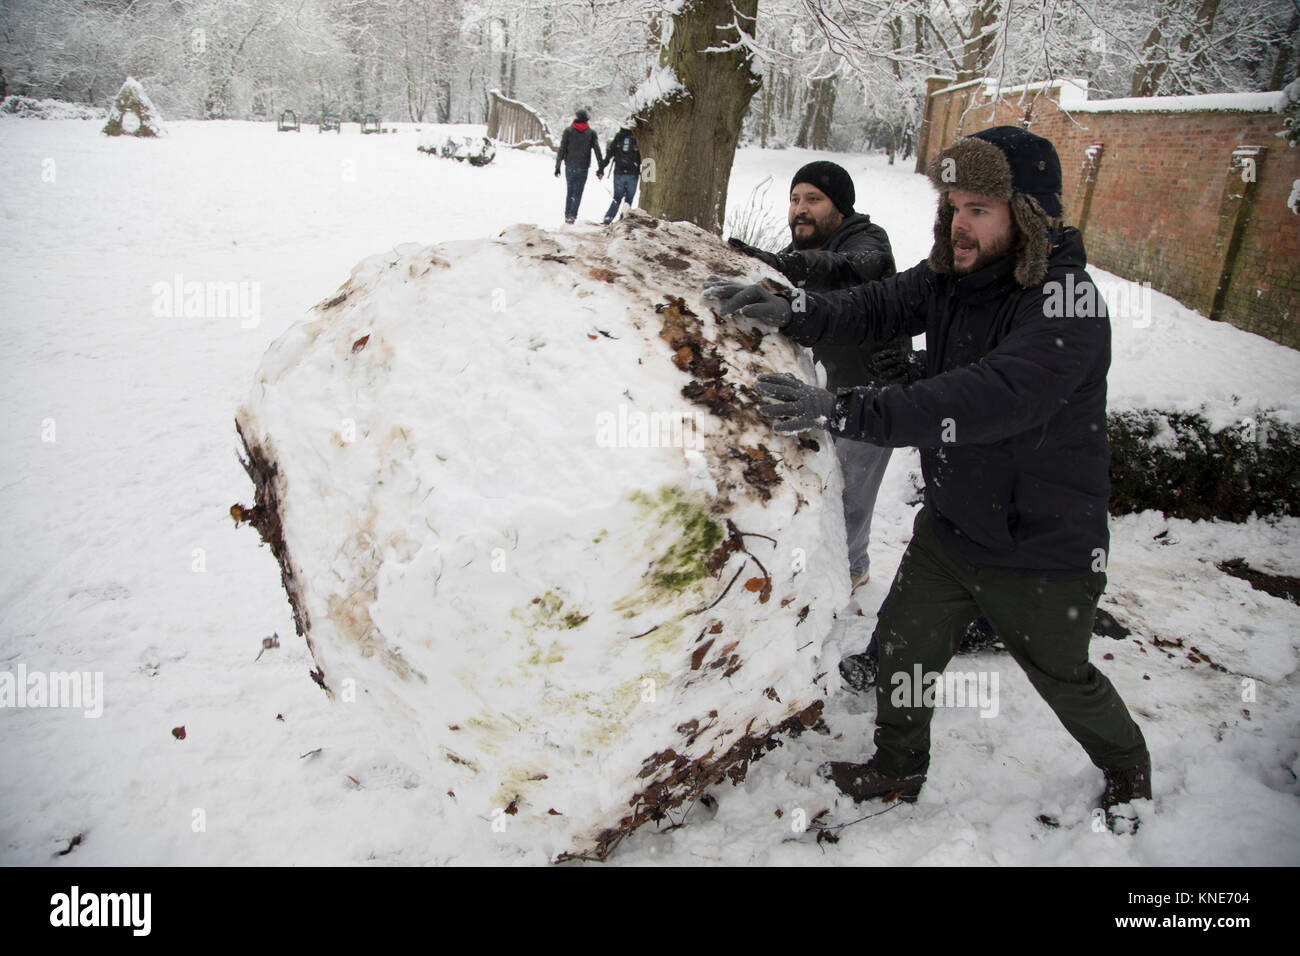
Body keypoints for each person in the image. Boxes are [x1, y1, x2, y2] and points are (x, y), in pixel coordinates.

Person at [706, 126, 1151, 832]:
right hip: (952, 525)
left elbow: (985, 397)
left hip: (1039, 544)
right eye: (952, 205)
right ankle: (898, 766)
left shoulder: (1068, 305)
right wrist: (797, 310)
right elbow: (878, 304)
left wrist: (845, 408)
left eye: (979, 208)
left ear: (1028, 216)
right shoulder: (954, 273)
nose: (958, 223)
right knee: (904, 647)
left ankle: (1128, 764)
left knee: (1063, 676)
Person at [724, 162, 905, 597]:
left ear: (840, 209)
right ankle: (829, 570)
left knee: (848, 500)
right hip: (824, 389)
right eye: (794, 199)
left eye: (813, 199)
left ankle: (849, 572)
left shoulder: (867, 243)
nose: (799, 209)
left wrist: (779, 264)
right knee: (822, 487)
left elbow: (844, 269)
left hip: (872, 394)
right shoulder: (808, 250)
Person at [555, 109, 603, 224]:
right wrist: (601, 167)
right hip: (583, 166)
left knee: (570, 191)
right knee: (578, 192)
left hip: (570, 165)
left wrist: (557, 166)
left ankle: (567, 215)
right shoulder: (591, 133)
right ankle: (573, 215)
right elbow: (597, 151)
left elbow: (562, 149)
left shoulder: (568, 131)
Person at [598, 127, 641, 224]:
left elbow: (609, 155)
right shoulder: (638, 139)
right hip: (633, 173)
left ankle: (608, 218)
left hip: (619, 172)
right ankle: (623, 219)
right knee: (629, 198)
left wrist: (601, 169)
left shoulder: (618, 137)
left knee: (617, 197)